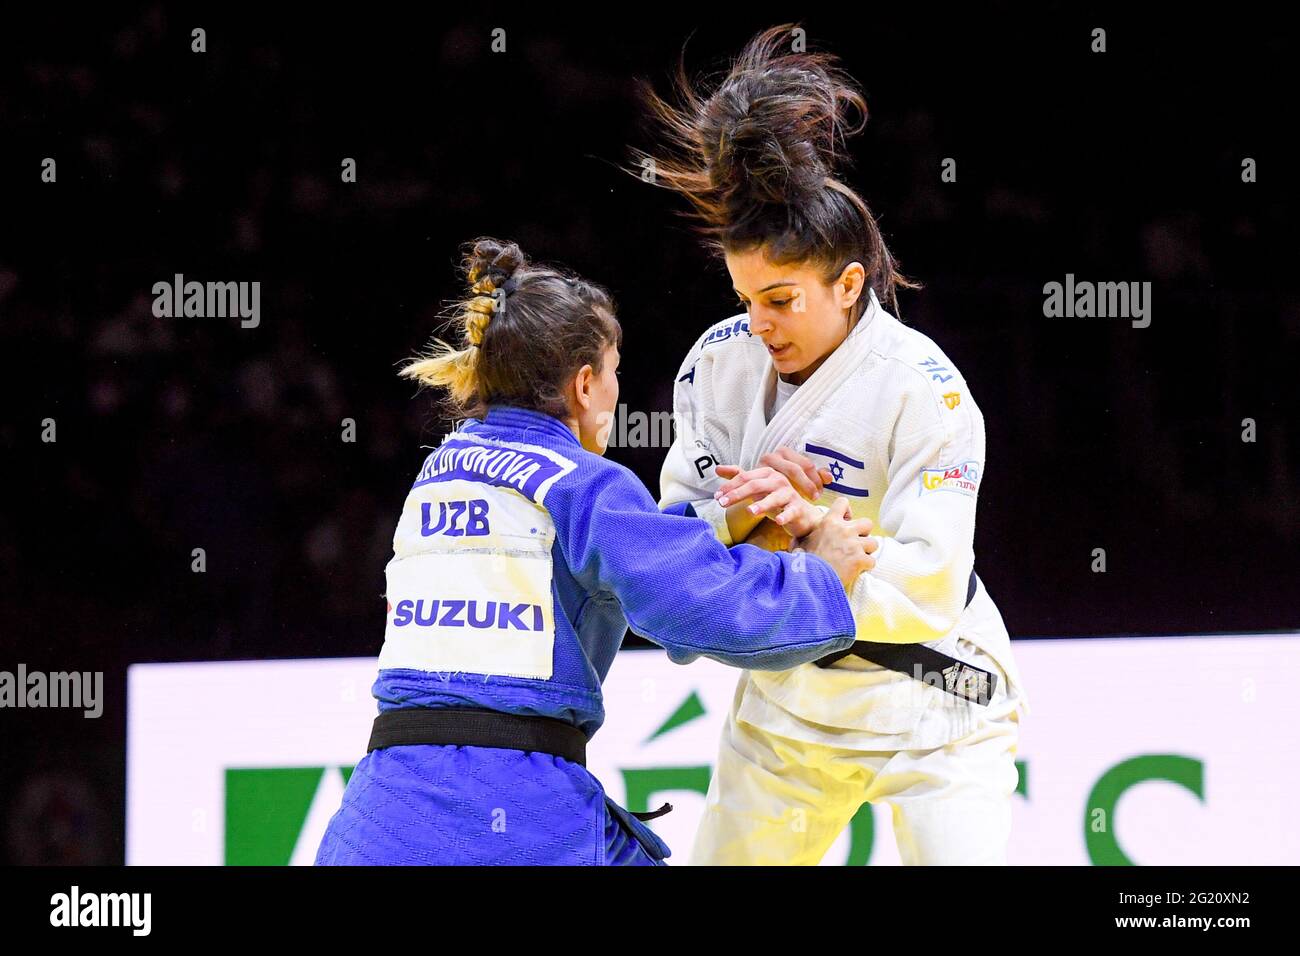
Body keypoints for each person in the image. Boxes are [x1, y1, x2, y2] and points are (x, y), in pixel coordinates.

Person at [313, 237, 878, 866]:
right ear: (585, 384)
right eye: (615, 372)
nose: (616, 393)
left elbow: (601, 559)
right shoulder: (578, 480)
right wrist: (820, 575)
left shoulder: (440, 472)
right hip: (515, 814)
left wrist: (728, 516)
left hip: (381, 816)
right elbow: (692, 606)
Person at [635, 24, 1031, 865]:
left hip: (934, 701)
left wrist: (813, 529)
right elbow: (674, 565)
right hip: (787, 702)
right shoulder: (717, 368)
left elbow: (927, 584)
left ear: (849, 285)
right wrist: (750, 524)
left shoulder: (926, 392)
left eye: (780, 299)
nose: (757, 323)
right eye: (746, 297)